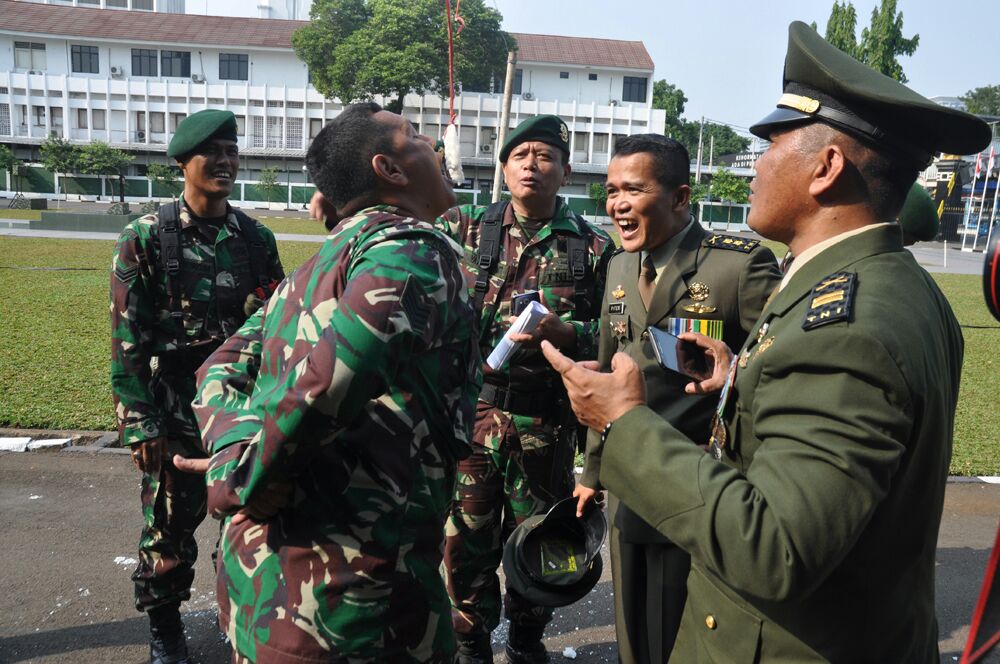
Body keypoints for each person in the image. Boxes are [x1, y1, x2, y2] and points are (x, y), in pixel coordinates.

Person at [540, 21, 991, 662]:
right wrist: (740, 380)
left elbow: (775, 547)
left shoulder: (846, 325)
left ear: (826, 168)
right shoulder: (888, 286)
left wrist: (624, 424)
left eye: (773, 142)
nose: (756, 163)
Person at [187, 102, 482, 663]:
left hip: (266, 594)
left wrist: (232, 448)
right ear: (389, 170)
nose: (437, 147)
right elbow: (333, 379)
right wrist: (244, 477)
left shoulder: (312, 269)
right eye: (417, 136)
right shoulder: (410, 252)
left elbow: (218, 367)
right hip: (358, 614)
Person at [574, 133, 780, 664]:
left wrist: (734, 376)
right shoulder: (621, 264)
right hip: (626, 479)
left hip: (696, 482)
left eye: (633, 190)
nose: (617, 204)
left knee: (682, 629)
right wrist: (594, 471)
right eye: (611, 190)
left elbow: (777, 372)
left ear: (680, 198)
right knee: (632, 628)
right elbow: (607, 370)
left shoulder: (738, 266)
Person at [437, 115, 616, 664]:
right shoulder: (463, 227)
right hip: (474, 420)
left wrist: (571, 333)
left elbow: (614, 340)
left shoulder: (594, 248)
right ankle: (470, 645)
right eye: (521, 155)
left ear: (564, 171)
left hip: (548, 427)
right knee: (465, 544)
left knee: (540, 540)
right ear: (504, 166)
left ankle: (526, 638)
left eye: (545, 156)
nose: (532, 165)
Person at [110, 108, 284, 664]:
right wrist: (140, 421)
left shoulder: (256, 238)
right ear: (183, 162)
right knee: (168, 526)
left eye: (233, 152)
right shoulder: (144, 238)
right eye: (213, 153)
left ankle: (239, 616)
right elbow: (126, 338)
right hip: (178, 402)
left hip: (239, 405)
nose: (226, 162)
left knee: (248, 518)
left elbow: (277, 325)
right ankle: (164, 633)